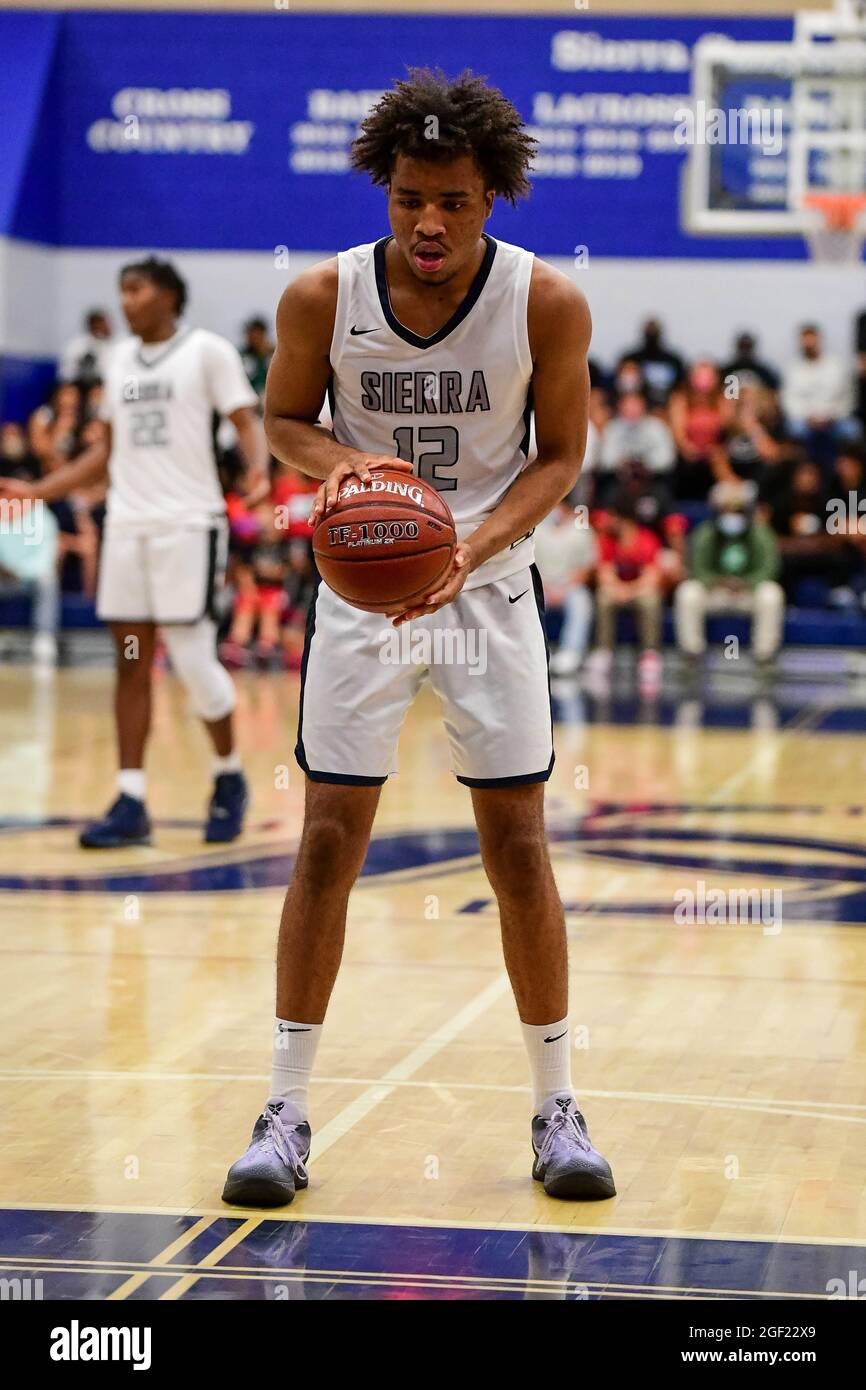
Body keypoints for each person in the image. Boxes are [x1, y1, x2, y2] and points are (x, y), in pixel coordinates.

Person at [222, 68, 615, 1208]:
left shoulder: (545, 303)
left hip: (487, 591)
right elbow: (283, 421)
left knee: (519, 849)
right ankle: (285, 1108)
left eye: (448, 198)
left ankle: (555, 1106)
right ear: (383, 191)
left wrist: (475, 539)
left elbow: (559, 455)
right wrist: (345, 468)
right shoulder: (319, 298)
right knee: (329, 834)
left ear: (490, 193)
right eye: (405, 199)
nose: (426, 222)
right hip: (360, 595)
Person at [0, 257, 269, 846]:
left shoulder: (207, 352)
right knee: (130, 663)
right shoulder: (118, 361)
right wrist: (39, 491)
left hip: (188, 527)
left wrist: (256, 470)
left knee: (195, 662)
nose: (127, 300)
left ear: (170, 296)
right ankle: (130, 798)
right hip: (127, 529)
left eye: (138, 288)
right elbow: (107, 452)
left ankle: (228, 778)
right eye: (121, 289)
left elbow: (247, 421)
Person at [674, 481, 784, 667]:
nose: (732, 516)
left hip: (747, 593)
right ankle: (691, 653)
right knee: (688, 592)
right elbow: (697, 569)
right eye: (727, 510)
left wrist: (747, 582)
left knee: (771, 593)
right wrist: (718, 581)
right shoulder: (705, 534)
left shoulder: (761, 534)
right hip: (716, 592)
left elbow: (770, 568)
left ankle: (764, 656)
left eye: (738, 511)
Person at [588, 495, 664, 694]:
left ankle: (650, 655)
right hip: (617, 590)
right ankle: (603, 652)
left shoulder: (647, 540)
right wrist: (617, 589)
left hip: (639, 590)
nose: (608, 521)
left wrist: (629, 591)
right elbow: (604, 573)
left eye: (612, 517)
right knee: (604, 597)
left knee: (651, 599)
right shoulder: (606, 540)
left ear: (624, 520)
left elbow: (652, 577)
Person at [781, 325, 858, 472]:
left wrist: (830, 416)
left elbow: (848, 397)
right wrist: (809, 417)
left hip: (835, 419)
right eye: (806, 342)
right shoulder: (793, 369)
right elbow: (788, 401)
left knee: (854, 430)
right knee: (793, 429)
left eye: (812, 341)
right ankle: (804, 473)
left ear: (819, 340)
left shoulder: (836, 365)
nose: (809, 346)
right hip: (805, 420)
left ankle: (848, 474)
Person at [534, 501, 597, 677]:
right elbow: (529, 565)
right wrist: (546, 586)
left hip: (570, 587)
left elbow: (587, 568)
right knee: (523, 598)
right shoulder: (536, 529)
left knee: (581, 601)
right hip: (542, 585)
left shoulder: (582, 531)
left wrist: (565, 588)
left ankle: (572, 652)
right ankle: (533, 652)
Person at [670, 360, 731, 501]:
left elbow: (727, 427)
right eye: (699, 376)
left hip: (715, 455)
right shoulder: (680, 398)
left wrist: (714, 450)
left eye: (708, 376)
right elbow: (678, 433)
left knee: (720, 460)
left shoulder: (722, 399)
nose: (703, 381)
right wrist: (688, 448)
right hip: (687, 457)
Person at [597, 387, 675, 496]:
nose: (632, 410)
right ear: (620, 407)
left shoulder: (658, 427)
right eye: (628, 406)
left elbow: (667, 460)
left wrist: (643, 464)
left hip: (651, 481)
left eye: (635, 405)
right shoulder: (612, 429)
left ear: (644, 406)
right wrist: (624, 463)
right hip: (620, 481)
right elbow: (605, 461)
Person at [618, 319, 685, 407]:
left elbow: (681, 387)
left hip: (667, 405)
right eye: (649, 331)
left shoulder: (673, 360)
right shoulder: (631, 359)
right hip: (638, 404)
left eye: (654, 331)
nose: (651, 334)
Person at [59, 309, 113, 388]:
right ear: (93, 325)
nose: (108, 326)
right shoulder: (77, 346)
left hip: (103, 386)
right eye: (103, 323)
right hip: (79, 385)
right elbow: (66, 373)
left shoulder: (114, 345)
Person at [239, 317, 274, 402]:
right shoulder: (242, 357)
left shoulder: (274, 355)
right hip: (249, 399)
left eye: (254, 334)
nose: (250, 338)